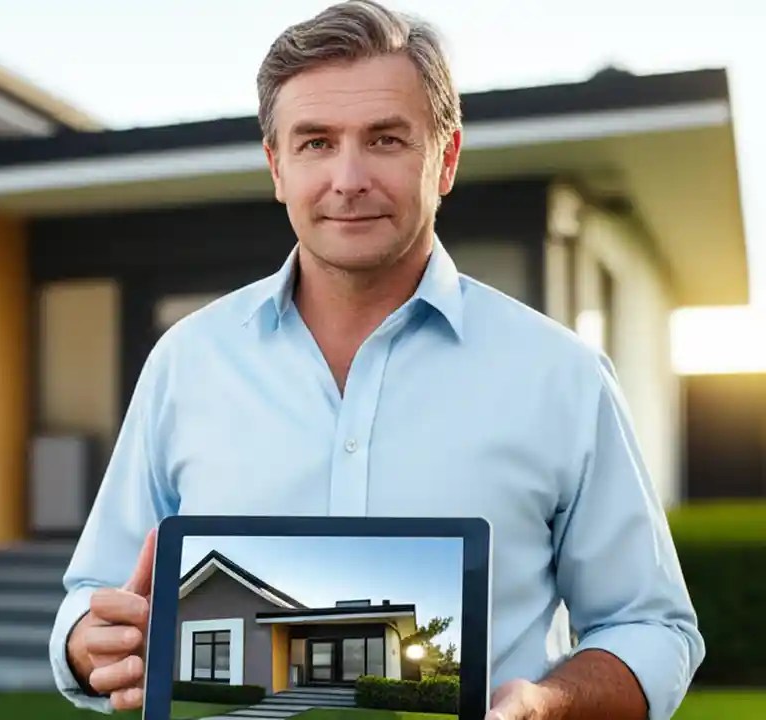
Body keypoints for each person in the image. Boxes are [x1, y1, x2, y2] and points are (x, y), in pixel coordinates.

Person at [47, 1, 705, 718]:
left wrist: (551, 703)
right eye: (316, 143)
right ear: (277, 166)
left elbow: (653, 628)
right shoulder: (186, 362)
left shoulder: (564, 376)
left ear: (446, 157)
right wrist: (89, 642)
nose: (349, 177)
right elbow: (91, 599)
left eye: (386, 139)